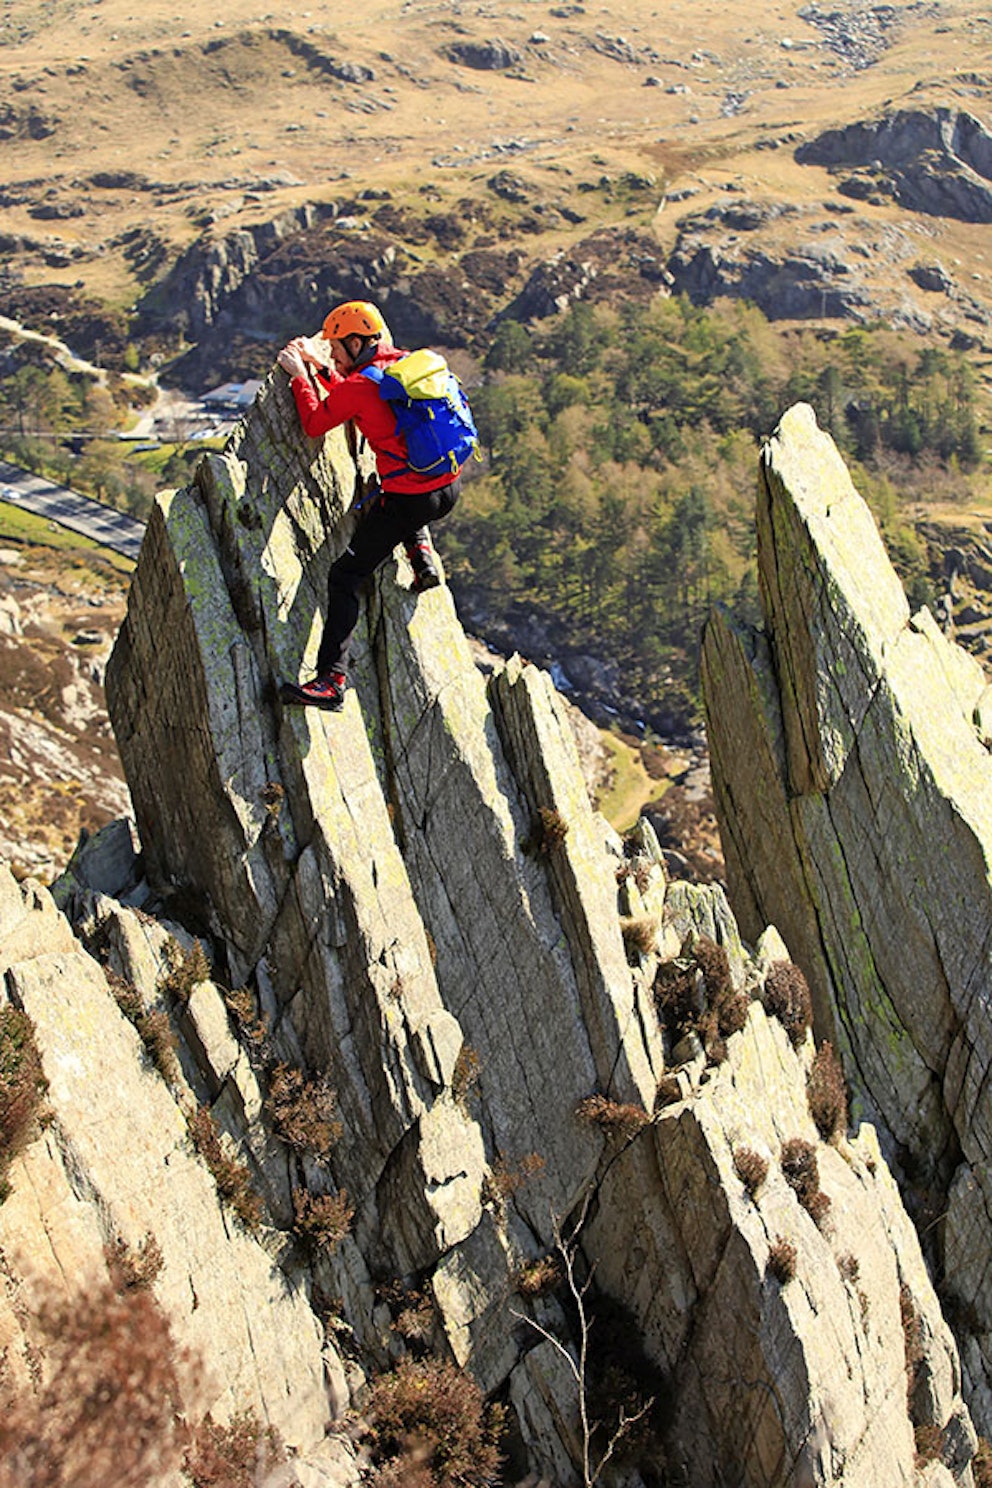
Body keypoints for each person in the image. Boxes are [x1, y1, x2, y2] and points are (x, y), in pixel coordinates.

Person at [276, 299, 464, 711]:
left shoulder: (360, 386)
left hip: (410, 501)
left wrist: (298, 377)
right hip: (446, 487)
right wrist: (318, 365)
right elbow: (356, 395)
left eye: (338, 349)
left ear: (358, 341)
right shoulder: (403, 364)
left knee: (345, 576)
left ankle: (330, 681)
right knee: (392, 485)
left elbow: (315, 422)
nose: (335, 357)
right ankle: (422, 556)